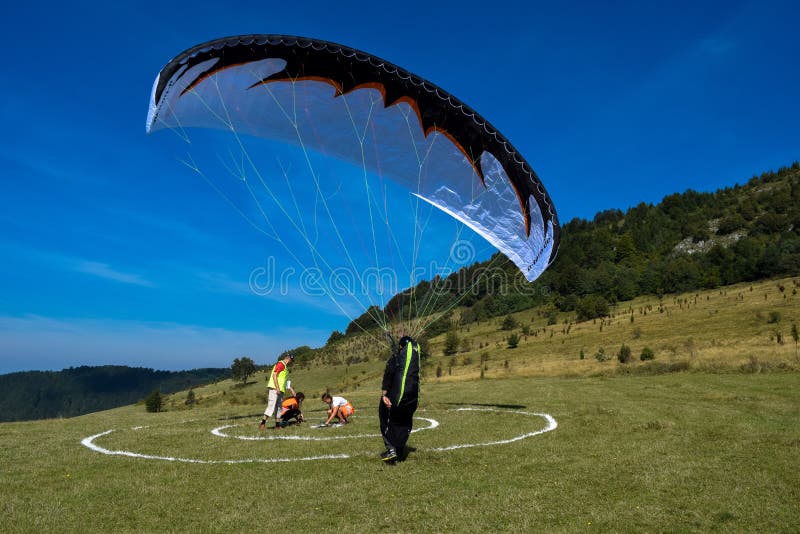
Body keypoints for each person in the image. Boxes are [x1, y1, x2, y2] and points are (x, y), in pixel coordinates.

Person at [379, 334, 420, 463]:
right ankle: (400, 451)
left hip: (394, 398)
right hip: (411, 400)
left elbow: (388, 377)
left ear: (401, 347)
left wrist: (384, 395)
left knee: (386, 421)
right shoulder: (415, 361)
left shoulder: (394, 359)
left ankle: (391, 450)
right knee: (404, 423)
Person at [259, 353, 296, 430]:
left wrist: (291, 390)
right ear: (288, 358)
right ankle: (262, 424)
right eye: (291, 360)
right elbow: (274, 375)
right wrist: (277, 388)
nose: (291, 362)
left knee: (279, 408)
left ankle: (277, 426)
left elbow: (286, 381)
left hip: (280, 391)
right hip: (274, 389)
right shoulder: (281, 364)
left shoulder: (285, 368)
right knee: (271, 407)